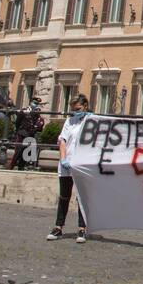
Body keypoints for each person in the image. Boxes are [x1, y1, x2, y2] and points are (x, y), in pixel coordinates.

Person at [48, 94, 90, 243]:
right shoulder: (69, 121)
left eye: (77, 109)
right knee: (64, 196)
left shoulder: (91, 121)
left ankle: (82, 228)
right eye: (72, 109)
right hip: (66, 164)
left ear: (85, 106)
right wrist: (63, 158)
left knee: (82, 198)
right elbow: (63, 140)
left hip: (81, 165)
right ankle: (58, 227)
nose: (74, 112)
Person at [11, 96, 44, 170]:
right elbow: (17, 122)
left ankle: (21, 167)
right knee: (18, 151)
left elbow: (39, 123)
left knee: (26, 152)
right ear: (31, 103)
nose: (35, 105)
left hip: (30, 134)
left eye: (37, 103)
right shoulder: (24, 111)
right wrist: (18, 131)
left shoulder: (37, 113)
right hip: (22, 133)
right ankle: (11, 166)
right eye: (35, 103)